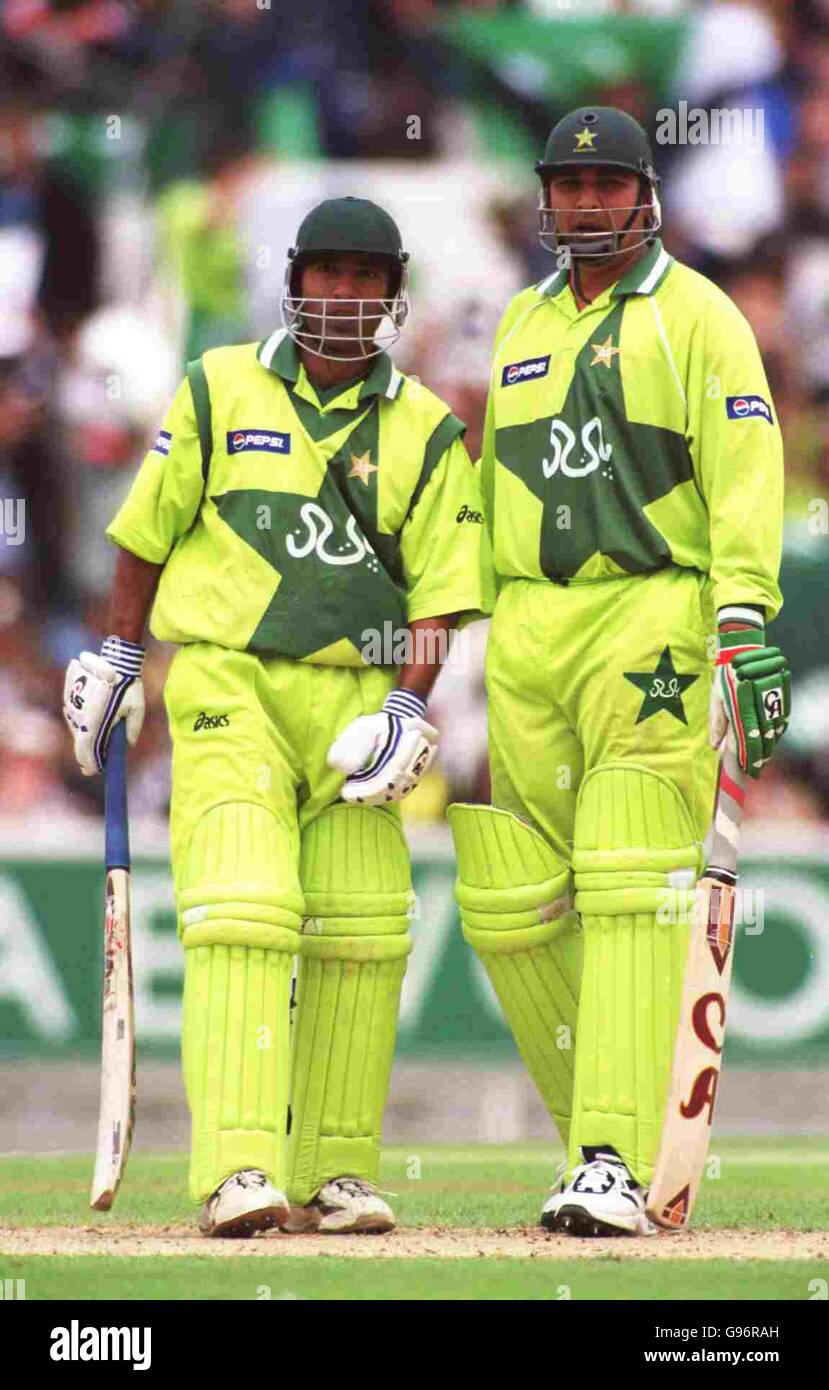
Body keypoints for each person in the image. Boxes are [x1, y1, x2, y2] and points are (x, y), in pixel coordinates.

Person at [63, 196, 489, 1238]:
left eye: (365, 278)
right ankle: (239, 1168)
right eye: (327, 273)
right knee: (245, 911)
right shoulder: (217, 386)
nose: (343, 296)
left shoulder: (428, 426)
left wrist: (406, 704)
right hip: (228, 683)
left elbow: (442, 585)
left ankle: (337, 1170)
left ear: (394, 295)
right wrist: (122, 655)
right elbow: (144, 532)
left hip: (356, 699)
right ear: (294, 279)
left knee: (359, 931)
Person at [448, 108, 791, 1237]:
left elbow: (745, 474)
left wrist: (741, 618)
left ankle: (606, 1153)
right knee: (517, 899)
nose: (586, 203)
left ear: (646, 196)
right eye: (568, 185)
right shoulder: (520, 320)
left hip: (653, 617)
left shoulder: (702, 317)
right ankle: (605, 1146)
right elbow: (500, 489)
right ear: (545, 201)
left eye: (608, 184)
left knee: (630, 884)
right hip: (529, 632)